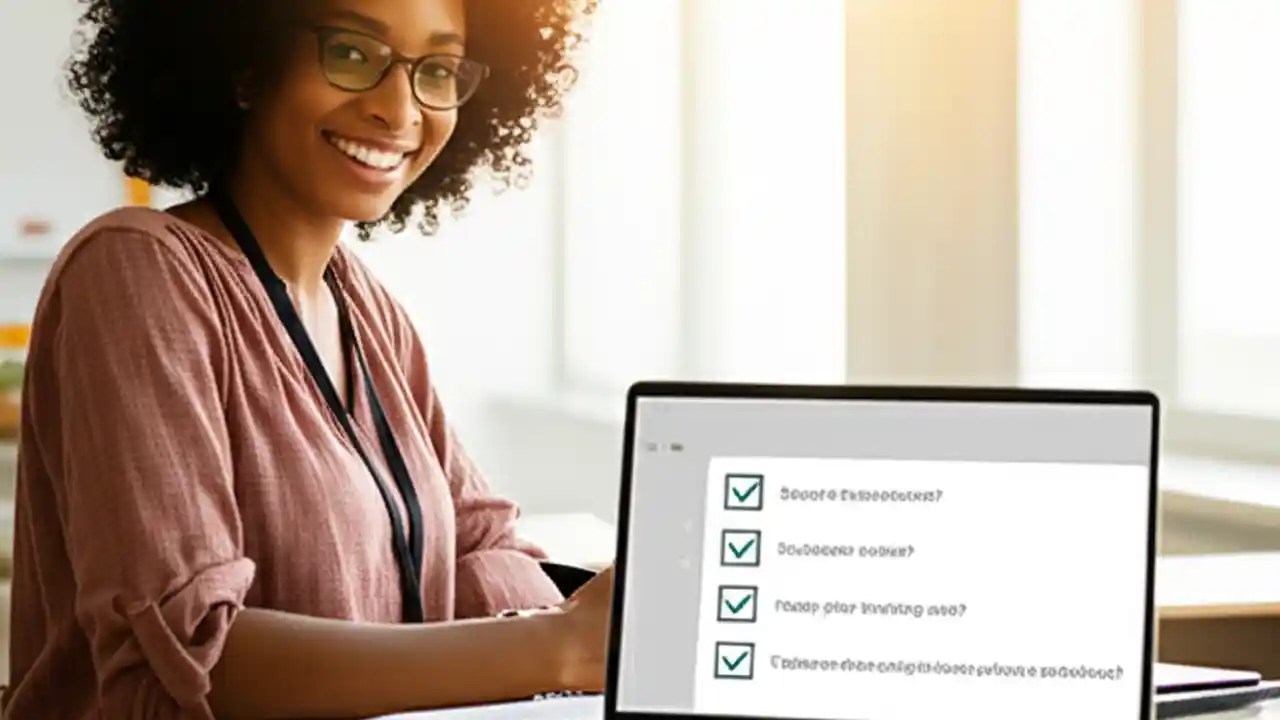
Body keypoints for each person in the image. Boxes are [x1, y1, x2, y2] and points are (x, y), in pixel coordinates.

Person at [2, 0, 612, 717]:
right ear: (245, 66)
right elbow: (185, 659)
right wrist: (560, 646)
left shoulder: (365, 305)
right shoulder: (135, 272)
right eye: (352, 54)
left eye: (438, 70)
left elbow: (481, 548)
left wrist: (612, 608)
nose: (398, 109)